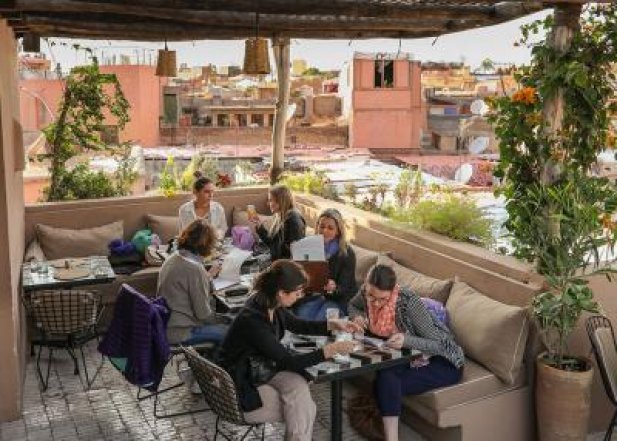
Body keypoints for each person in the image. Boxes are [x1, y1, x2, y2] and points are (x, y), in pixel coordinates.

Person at [219, 260, 361, 441]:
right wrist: (330, 350)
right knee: (305, 409)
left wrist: (332, 324)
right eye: (297, 292)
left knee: (300, 398)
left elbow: (297, 324)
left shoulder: (268, 303)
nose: (300, 296)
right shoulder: (253, 320)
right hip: (239, 385)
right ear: (281, 293)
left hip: (259, 369)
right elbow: (289, 362)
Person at [348, 264, 464, 441]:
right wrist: (356, 316)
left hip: (442, 361)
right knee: (385, 372)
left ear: (393, 290)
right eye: (371, 296)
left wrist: (406, 339)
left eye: (382, 299)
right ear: (366, 285)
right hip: (411, 356)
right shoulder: (366, 291)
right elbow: (353, 305)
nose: (375, 303)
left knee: (385, 383)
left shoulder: (409, 303)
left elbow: (442, 343)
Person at [157, 219, 226, 345]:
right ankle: (217, 363)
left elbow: (188, 282)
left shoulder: (173, 258)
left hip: (165, 325)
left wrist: (208, 276)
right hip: (182, 332)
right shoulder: (194, 269)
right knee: (233, 331)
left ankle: (215, 358)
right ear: (207, 245)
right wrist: (228, 319)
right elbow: (203, 314)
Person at [294, 208, 357, 320]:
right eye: (322, 226)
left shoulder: (347, 253)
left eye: (330, 228)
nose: (324, 231)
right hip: (318, 295)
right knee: (301, 317)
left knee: (320, 321)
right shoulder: (309, 245)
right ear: (317, 226)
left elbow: (344, 288)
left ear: (338, 231)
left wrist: (333, 288)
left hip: (339, 298)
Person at [250, 184, 306, 261]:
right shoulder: (281, 216)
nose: (268, 204)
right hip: (276, 262)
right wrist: (259, 225)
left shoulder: (293, 219)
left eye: (270, 200)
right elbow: (271, 243)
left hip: (284, 267)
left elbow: (294, 253)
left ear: (280, 200)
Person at [178, 171, 227, 239]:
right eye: (207, 192)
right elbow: (184, 233)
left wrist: (214, 235)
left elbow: (223, 229)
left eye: (212, 191)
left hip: (213, 244)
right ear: (195, 192)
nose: (211, 195)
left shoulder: (218, 208)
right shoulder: (184, 209)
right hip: (191, 246)